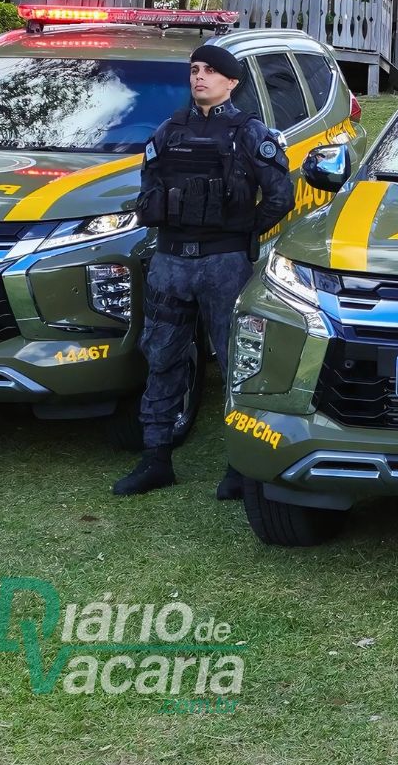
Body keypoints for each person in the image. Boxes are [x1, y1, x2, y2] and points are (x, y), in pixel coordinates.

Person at [114, 45, 292, 497]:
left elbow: (279, 196)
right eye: (194, 70)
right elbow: (150, 185)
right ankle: (156, 458)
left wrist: (241, 235)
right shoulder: (168, 130)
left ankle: (240, 466)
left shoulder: (249, 133)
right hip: (170, 262)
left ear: (231, 82)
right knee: (161, 357)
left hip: (223, 265)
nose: (199, 77)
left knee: (237, 364)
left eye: (210, 71)